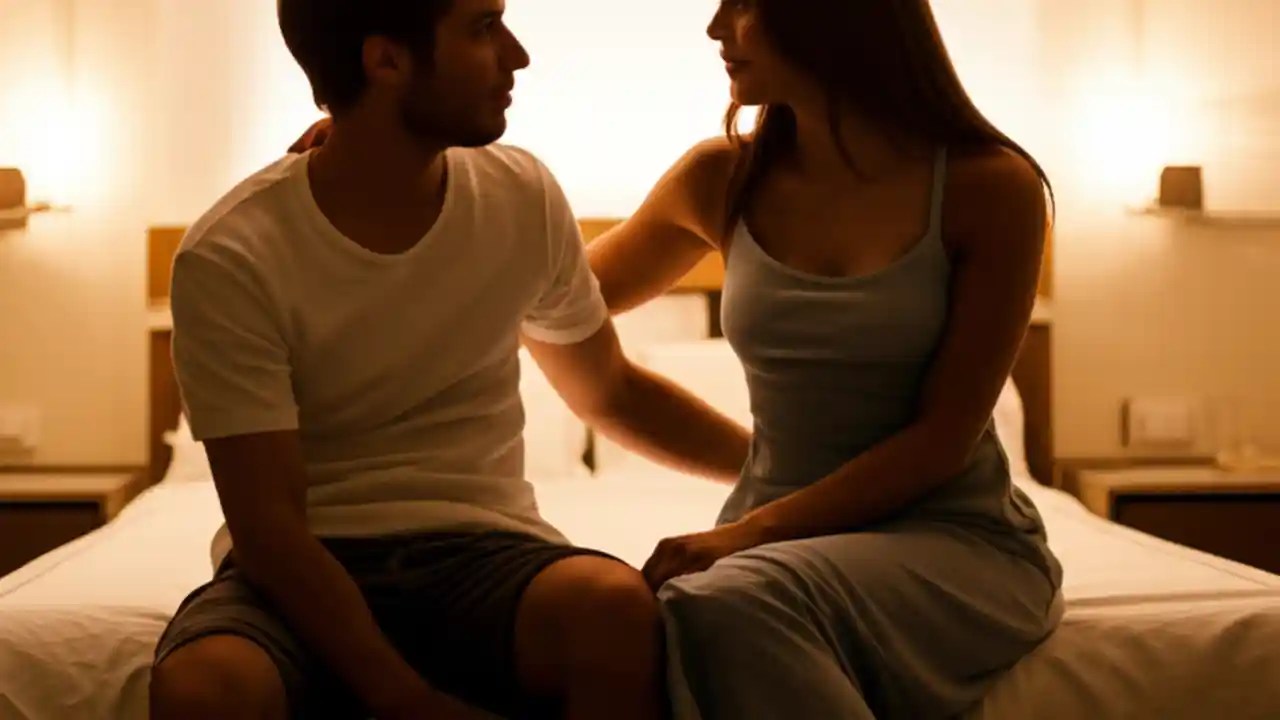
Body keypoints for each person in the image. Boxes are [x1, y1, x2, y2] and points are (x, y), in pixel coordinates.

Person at [147, 1, 750, 719]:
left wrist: (782, 480)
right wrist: (405, 698)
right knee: (205, 687)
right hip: (303, 561)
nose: (517, 55)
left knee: (614, 609)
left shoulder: (519, 195)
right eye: (483, 27)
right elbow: (270, 532)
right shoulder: (233, 254)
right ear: (387, 61)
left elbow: (610, 392)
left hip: (483, 555)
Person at [585, 1, 1066, 718]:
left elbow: (942, 440)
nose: (716, 30)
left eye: (741, 5)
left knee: (725, 602)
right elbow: (551, 298)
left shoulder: (990, 188)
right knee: (688, 609)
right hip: (776, 548)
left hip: (955, 541)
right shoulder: (720, 179)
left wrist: (744, 533)